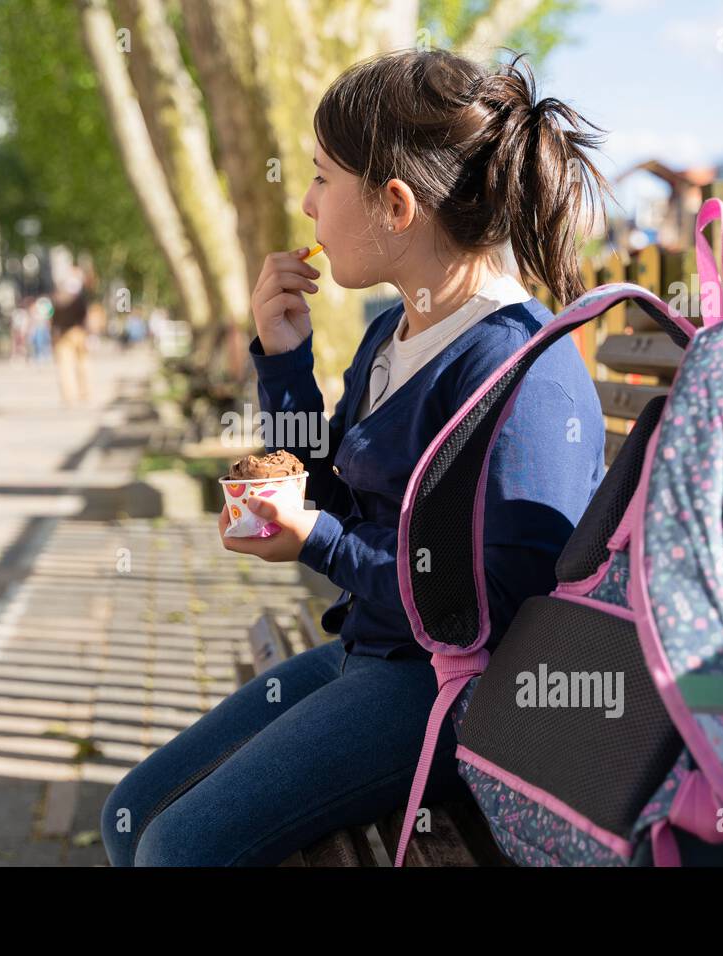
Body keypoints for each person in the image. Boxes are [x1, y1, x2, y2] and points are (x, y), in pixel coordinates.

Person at [101, 49, 609, 866]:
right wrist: (285, 365)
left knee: (175, 850)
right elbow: (330, 489)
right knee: (130, 815)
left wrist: (319, 542)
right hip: (368, 652)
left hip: (448, 694)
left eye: (322, 178)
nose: (304, 202)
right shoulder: (391, 334)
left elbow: (494, 610)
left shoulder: (520, 371)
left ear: (395, 205)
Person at [50, 264, 91, 405]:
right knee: (82, 363)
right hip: (78, 332)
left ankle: (68, 395)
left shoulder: (58, 297)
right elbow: (85, 316)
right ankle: (83, 391)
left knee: (65, 366)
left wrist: (54, 333)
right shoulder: (80, 297)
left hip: (63, 333)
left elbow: (53, 318)